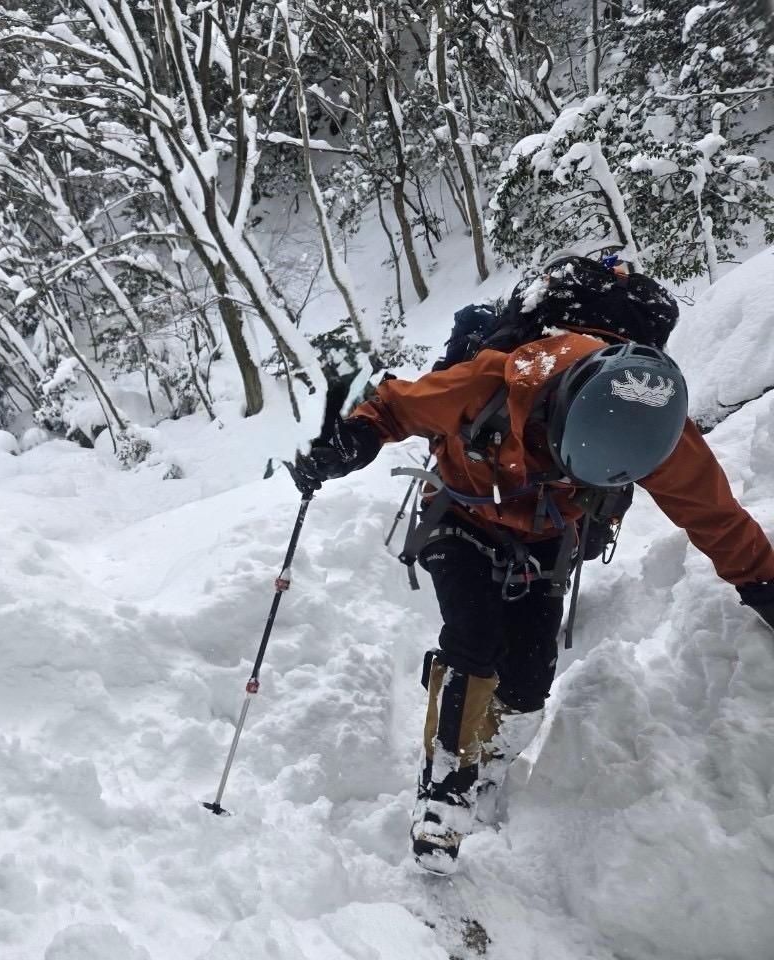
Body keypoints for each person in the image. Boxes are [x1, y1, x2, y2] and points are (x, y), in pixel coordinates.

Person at [289, 255, 774, 875]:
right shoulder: (491, 381)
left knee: (528, 682)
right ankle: (444, 792)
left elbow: (716, 517)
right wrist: (350, 441)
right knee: (473, 642)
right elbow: (393, 404)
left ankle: (489, 758)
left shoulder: (655, 428)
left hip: (549, 531)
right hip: (460, 514)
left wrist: (762, 584)